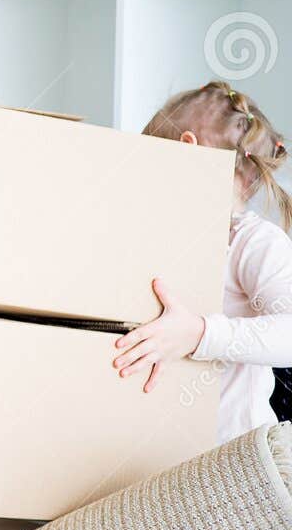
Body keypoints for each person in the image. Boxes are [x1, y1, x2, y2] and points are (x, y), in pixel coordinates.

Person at [113, 81, 292, 441]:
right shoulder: (160, 243)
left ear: (186, 151)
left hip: (237, 466)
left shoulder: (251, 241)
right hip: (165, 457)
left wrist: (199, 334)